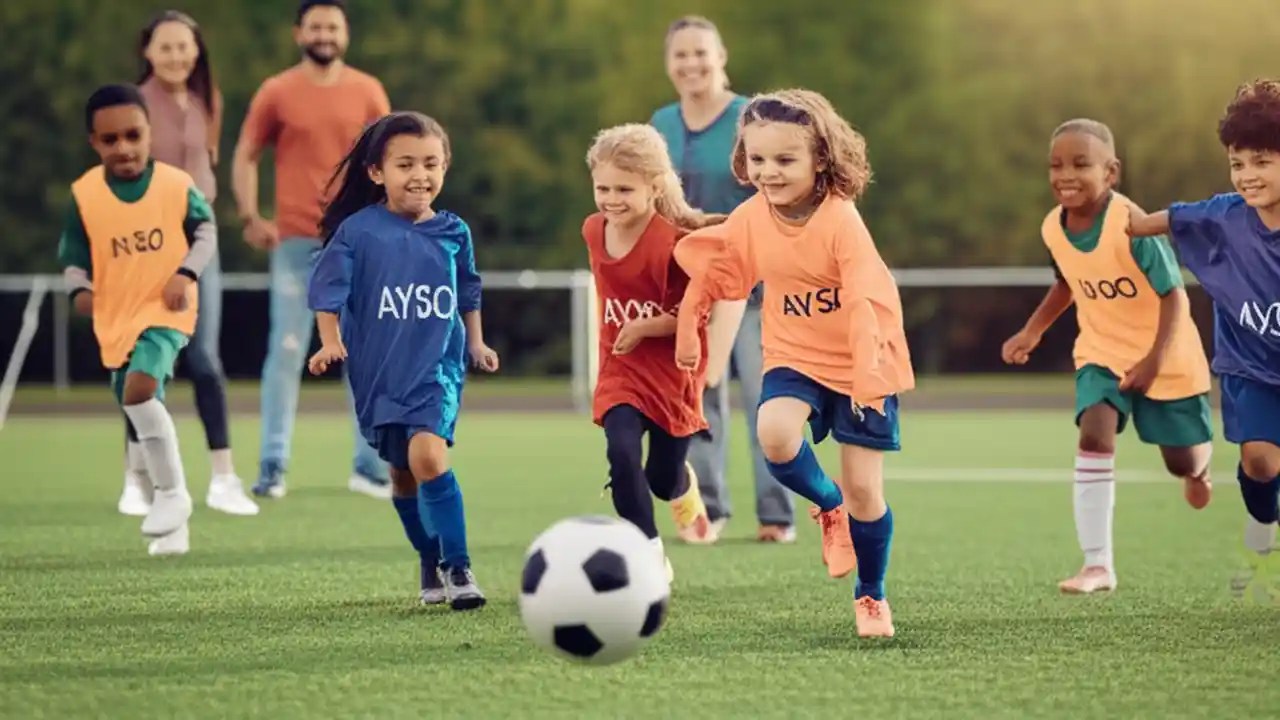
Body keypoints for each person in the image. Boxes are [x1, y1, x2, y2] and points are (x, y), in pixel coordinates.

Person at [673, 89, 915, 637]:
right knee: (775, 434)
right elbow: (715, 270)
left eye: (785, 160)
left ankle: (871, 595)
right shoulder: (751, 216)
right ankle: (827, 506)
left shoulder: (840, 220)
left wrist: (865, 370)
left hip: (862, 356)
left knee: (866, 494)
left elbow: (861, 298)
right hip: (794, 353)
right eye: (757, 159)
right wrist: (690, 329)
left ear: (820, 159)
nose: (768, 172)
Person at [1002, 119, 1215, 595]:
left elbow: (1176, 297)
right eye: (1055, 165)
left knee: (1179, 461)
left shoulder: (1131, 225)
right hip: (1100, 351)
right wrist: (1032, 330)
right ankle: (1098, 565)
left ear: (1111, 171)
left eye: (1081, 164)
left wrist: (1155, 361)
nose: (1065, 175)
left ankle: (1200, 467)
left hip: (1166, 353)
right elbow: (1067, 282)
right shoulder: (1052, 228)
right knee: (1094, 435)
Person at [307, 112, 496, 610]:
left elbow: (468, 291)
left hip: (436, 368)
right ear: (376, 172)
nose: (420, 175)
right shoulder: (358, 232)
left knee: (429, 456)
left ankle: (459, 566)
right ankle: (428, 559)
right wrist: (329, 341)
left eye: (431, 164)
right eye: (406, 164)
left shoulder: (455, 231)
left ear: (445, 168)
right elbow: (327, 294)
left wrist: (475, 342)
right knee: (402, 473)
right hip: (379, 374)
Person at [231, 0, 392, 500]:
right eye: (316, 26)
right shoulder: (277, 91)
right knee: (287, 349)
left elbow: (393, 157)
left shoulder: (367, 91)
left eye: (333, 26)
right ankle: (272, 466)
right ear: (299, 32)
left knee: (364, 349)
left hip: (358, 238)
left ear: (346, 34)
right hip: (297, 240)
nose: (325, 34)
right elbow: (246, 154)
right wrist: (250, 214)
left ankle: (369, 466)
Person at [1126, 79, 1280, 602]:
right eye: (1238, 164)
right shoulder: (1226, 215)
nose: (1248, 176)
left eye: (1262, 161)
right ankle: (1261, 534)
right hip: (1251, 367)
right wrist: (1123, 223)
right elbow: (1167, 218)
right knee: (1260, 460)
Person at [650, 15, 794, 544]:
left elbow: (777, 188)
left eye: (700, 52)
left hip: (759, 286)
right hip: (691, 287)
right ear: (669, 64)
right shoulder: (660, 123)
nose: (691, 63)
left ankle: (776, 515)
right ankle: (707, 510)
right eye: (680, 55)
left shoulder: (751, 117)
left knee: (766, 400)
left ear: (722, 55)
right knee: (699, 399)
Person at [113, 10, 258, 518]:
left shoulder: (205, 101)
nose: (178, 56)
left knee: (204, 361)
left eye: (185, 46)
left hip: (198, 244)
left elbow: (207, 166)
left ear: (196, 51)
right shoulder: (132, 106)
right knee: (145, 365)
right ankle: (137, 479)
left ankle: (223, 477)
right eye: (167, 47)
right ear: (148, 52)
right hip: (145, 244)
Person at [60, 84, 214, 556]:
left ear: (149, 133)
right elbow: (73, 256)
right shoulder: (84, 195)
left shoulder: (174, 184)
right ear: (94, 142)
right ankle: (172, 528)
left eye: (134, 135)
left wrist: (186, 273)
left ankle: (173, 495)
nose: (124, 148)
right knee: (137, 412)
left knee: (140, 389)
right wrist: (79, 290)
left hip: (166, 311)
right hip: (117, 317)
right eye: (111, 140)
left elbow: (205, 231)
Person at [583, 123, 719, 581]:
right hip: (620, 368)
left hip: (671, 370)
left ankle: (682, 485)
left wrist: (642, 326)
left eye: (624, 189)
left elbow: (695, 315)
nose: (611, 199)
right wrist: (624, 335)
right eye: (603, 188)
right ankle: (648, 553)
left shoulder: (675, 242)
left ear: (654, 186)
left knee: (661, 478)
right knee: (621, 453)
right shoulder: (592, 230)